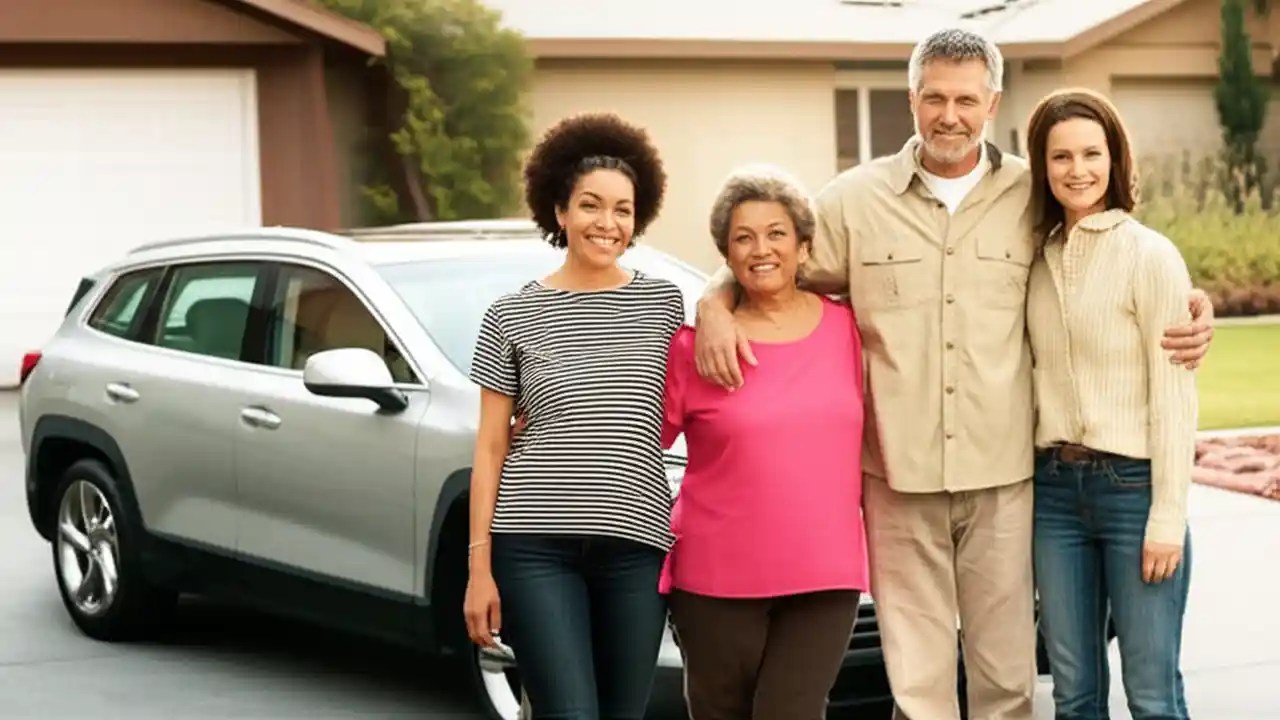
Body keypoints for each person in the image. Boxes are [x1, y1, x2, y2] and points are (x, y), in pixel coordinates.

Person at [691, 28, 1216, 720]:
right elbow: (769, 257)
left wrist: (1189, 305)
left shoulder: (1034, 196)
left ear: (992, 102)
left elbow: (1113, 253)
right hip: (898, 483)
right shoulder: (853, 201)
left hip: (1006, 483)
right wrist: (714, 297)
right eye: (934, 97)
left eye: (966, 99)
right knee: (919, 687)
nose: (949, 115)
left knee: (1006, 685)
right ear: (912, 99)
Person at [462, 112, 685, 720]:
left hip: (637, 548)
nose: (607, 223)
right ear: (559, 210)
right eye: (590, 205)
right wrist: (478, 570)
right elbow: (489, 448)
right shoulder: (509, 314)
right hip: (534, 548)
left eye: (622, 209)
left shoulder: (665, 303)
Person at [659, 165, 869, 720]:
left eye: (776, 233)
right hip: (715, 574)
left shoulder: (850, 330)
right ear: (726, 256)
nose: (761, 249)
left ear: (804, 247)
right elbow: (635, 437)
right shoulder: (697, 347)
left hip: (825, 570)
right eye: (743, 237)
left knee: (792, 712)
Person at [1025, 88, 1197, 720]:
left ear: (1116, 159)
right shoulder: (1036, 260)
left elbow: (1174, 395)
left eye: (1092, 153)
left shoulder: (1150, 255)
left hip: (1134, 492)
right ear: (1042, 168)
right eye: (1061, 156)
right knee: (1073, 696)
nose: (1078, 170)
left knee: (1151, 695)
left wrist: (1167, 516)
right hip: (1054, 496)